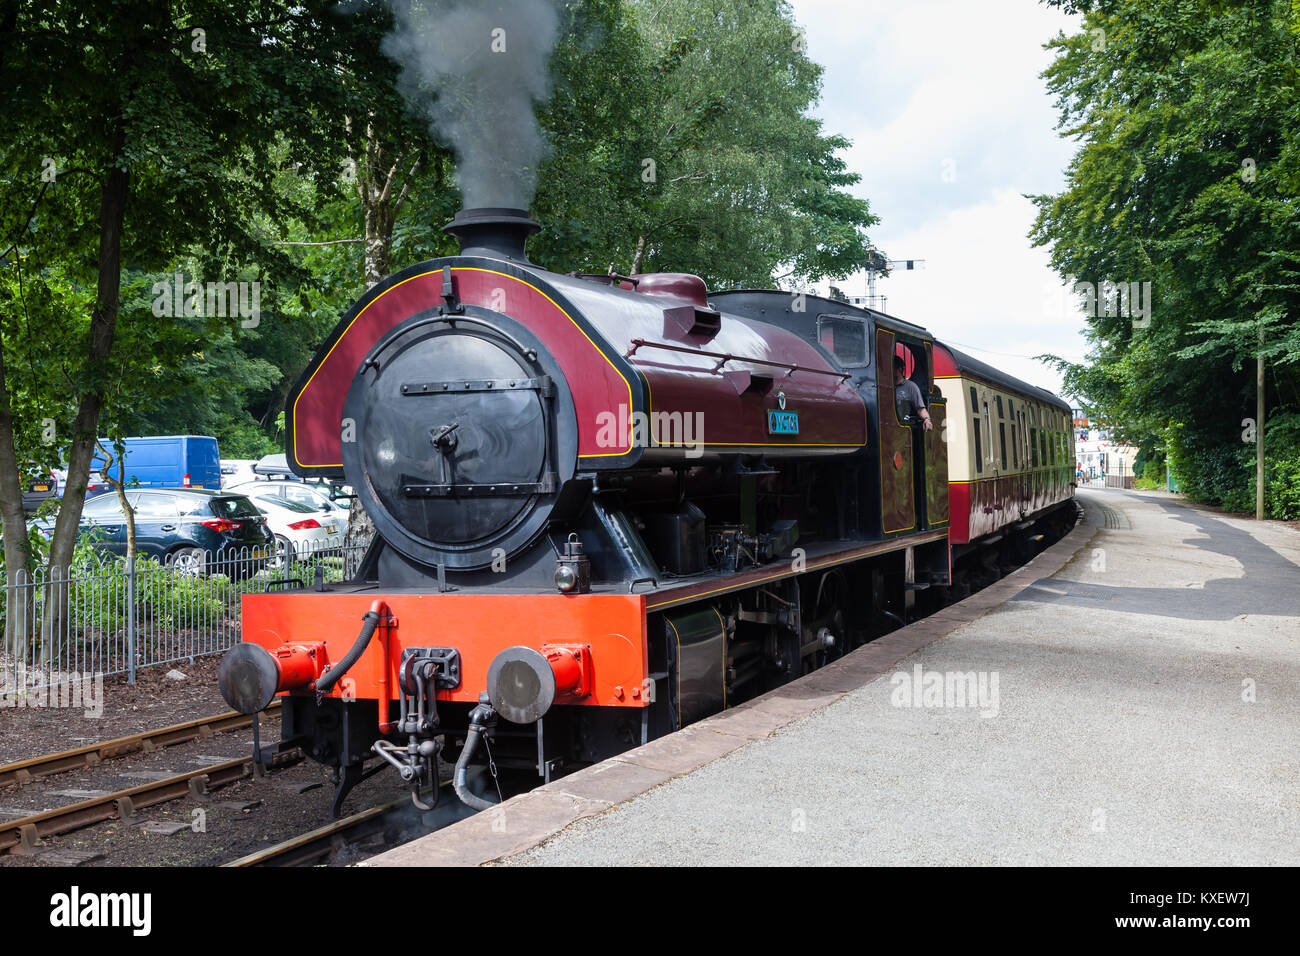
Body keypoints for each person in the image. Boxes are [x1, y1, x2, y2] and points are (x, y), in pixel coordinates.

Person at [893, 355, 933, 431]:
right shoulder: (886, 386)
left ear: (901, 369)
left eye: (893, 368)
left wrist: (927, 419)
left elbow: (920, 408)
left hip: (904, 426)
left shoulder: (911, 386)